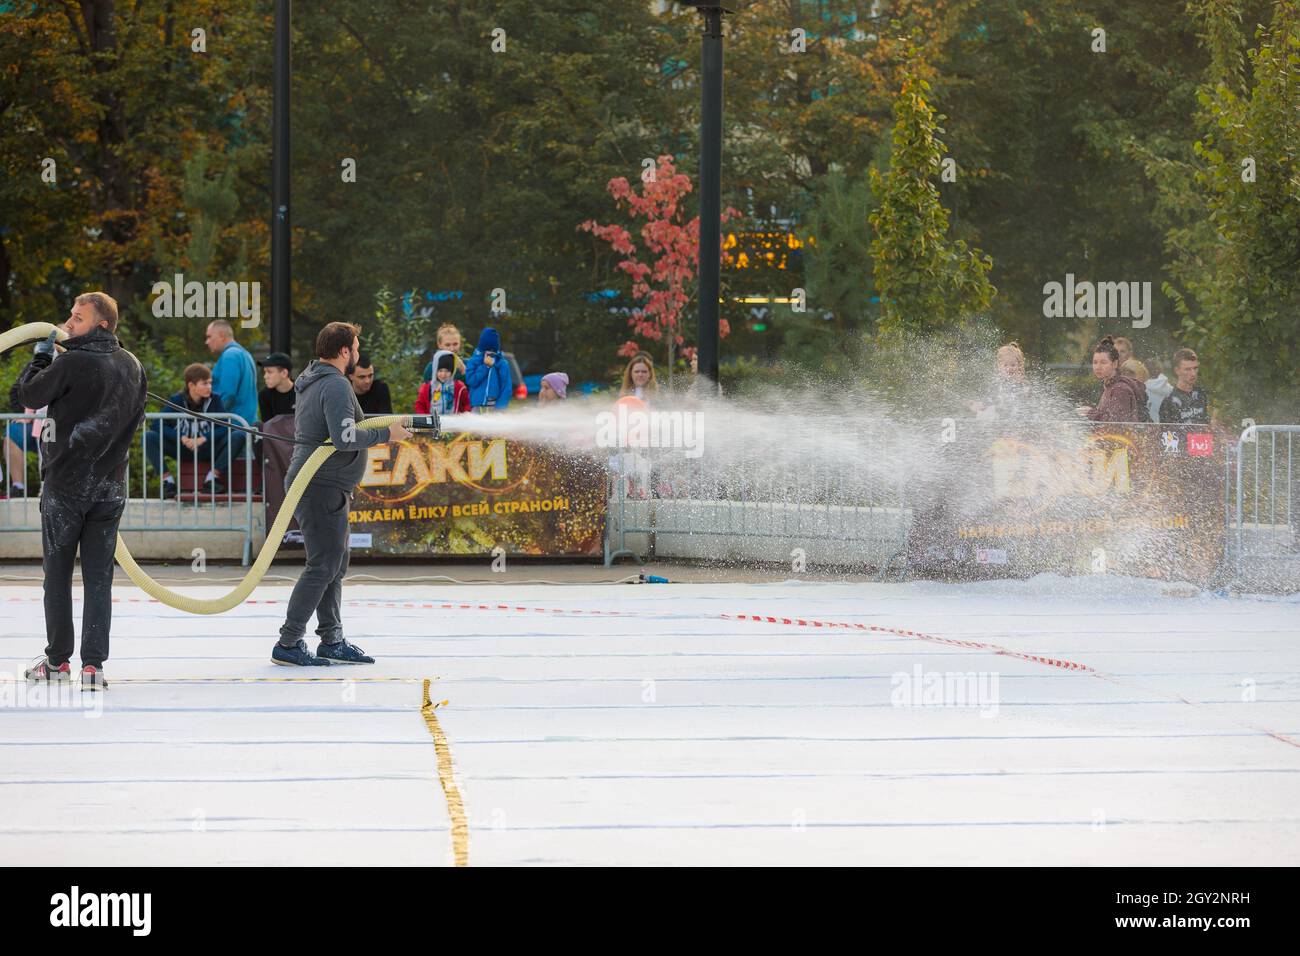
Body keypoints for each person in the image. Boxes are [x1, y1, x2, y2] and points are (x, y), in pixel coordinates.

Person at [17, 292, 147, 690]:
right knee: (98, 578)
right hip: (110, 488)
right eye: (70, 315)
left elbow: (28, 396)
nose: (69, 323)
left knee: (57, 576)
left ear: (103, 324)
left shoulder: (71, 362)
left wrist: (41, 357)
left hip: (65, 487)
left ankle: (58, 662)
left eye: (78, 317)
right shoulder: (132, 365)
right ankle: (94, 666)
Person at [273, 322, 412, 666]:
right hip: (320, 485)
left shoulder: (316, 378)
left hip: (325, 484)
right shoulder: (334, 384)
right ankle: (288, 643)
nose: (359, 354)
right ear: (345, 351)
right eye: (357, 347)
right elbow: (344, 437)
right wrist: (387, 435)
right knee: (323, 565)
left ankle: (331, 639)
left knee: (334, 563)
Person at [145, 363, 241, 497]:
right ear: (191, 385)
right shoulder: (177, 400)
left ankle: (212, 479)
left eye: (210, 383)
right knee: (149, 437)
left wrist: (204, 438)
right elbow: (157, 424)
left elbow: (226, 427)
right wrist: (182, 437)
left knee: (239, 435)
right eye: (204, 383)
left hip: (207, 448)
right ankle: (168, 482)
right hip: (183, 448)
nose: (209, 387)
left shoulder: (215, 400)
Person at [1078, 335, 1147, 423]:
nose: (1098, 367)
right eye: (1095, 362)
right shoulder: (1110, 386)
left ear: (1114, 364)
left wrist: (1090, 413)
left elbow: (1116, 424)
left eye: (1103, 362)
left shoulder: (1120, 389)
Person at [205, 319, 259, 430]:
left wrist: (212, 421)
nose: (207, 342)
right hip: (247, 424)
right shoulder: (245, 354)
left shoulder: (230, 355)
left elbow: (227, 394)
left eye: (209, 337)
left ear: (222, 335)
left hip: (233, 427)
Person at [967, 342, 1030, 420]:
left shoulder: (1021, 383)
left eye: (1013, 365)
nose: (1009, 368)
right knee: (984, 411)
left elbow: (1024, 402)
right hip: (1001, 417)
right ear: (999, 366)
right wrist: (981, 405)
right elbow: (990, 398)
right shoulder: (997, 383)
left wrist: (1020, 384)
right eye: (1005, 365)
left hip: (1017, 418)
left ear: (1019, 366)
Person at [465, 327, 513, 411]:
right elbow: (471, 381)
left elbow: (506, 387)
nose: (489, 354)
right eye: (486, 351)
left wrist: (500, 407)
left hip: (494, 408)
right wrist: (485, 367)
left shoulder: (502, 364)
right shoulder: (473, 361)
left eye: (492, 351)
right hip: (476, 407)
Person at [1159, 348, 1211, 425]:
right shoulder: (1169, 401)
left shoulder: (1201, 394)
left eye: (1195, 368)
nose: (1193, 373)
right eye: (1187, 369)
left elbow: (1210, 425)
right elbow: (1166, 433)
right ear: (1177, 371)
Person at [415, 350, 470, 414]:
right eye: (440, 371)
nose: (443, 374)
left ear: (452, 372)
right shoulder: (427, 387)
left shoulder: (459, 386)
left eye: (447, 371)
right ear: (435, 370)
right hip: (433, 421)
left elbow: (466, 403)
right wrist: (424, 418)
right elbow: (419, 405)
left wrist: (465, 414)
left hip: (454, 421)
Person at [258, 352, 296, 423]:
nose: (265, 376)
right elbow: (267, 427)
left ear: (284, 373)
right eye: (264, 372)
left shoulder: (302, 393)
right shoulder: (264, 395)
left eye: (269, 372)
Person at [1144, 356, 1173, 425]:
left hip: (1149, 427)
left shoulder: (1142, 389)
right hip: (1166, 427)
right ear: (1160, 369)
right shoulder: (1170, 389)